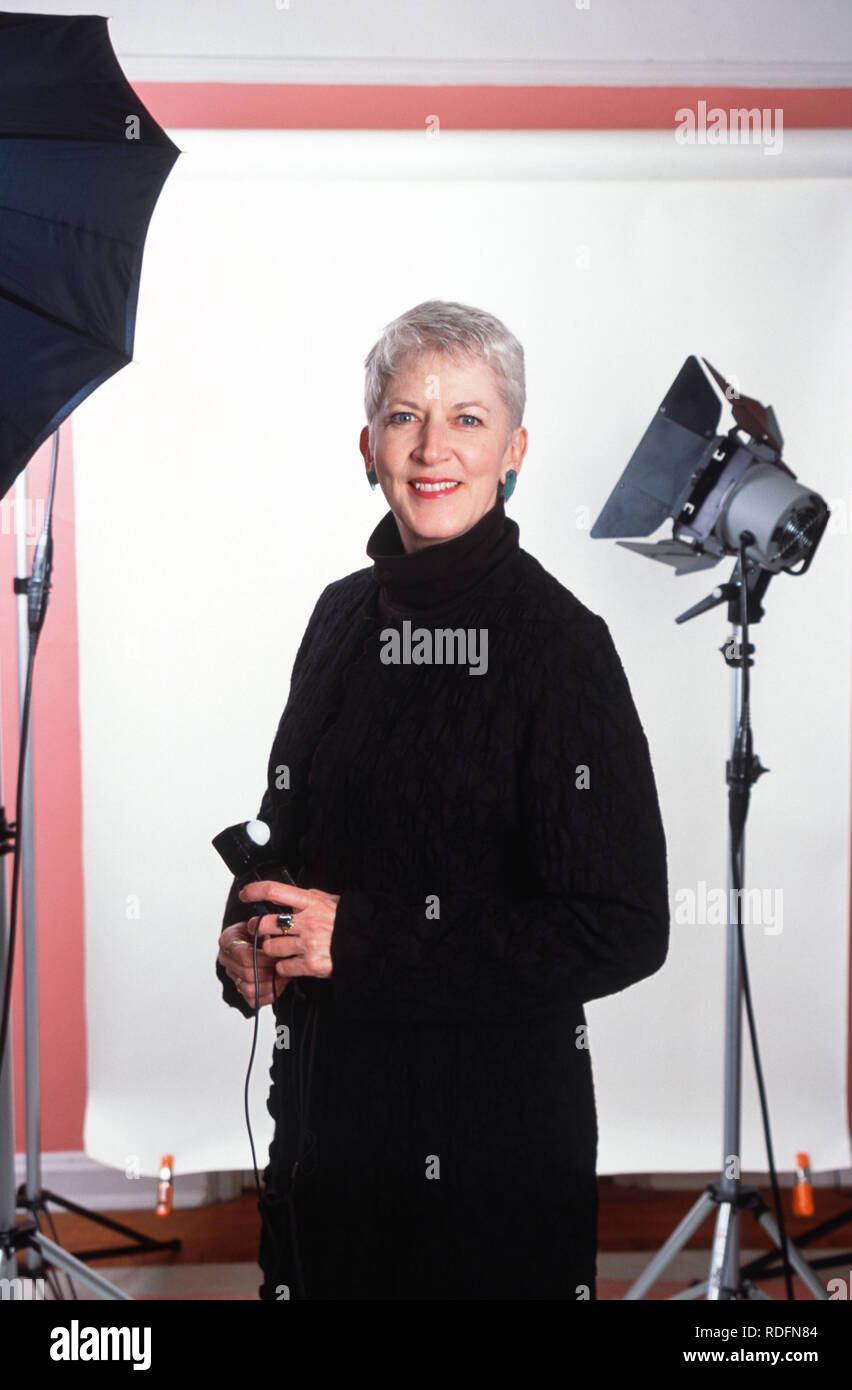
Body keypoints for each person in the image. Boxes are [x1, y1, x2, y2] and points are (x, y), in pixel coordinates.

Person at [215, 299, 669, 1301]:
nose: (432, 446)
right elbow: (282, 829)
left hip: (485, 1152)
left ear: (513, 449)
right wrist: (248, 932)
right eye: (404, 414)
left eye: (466, 418)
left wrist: (363, 939)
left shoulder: (560, 647)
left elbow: (622, 927)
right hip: (326, 1133)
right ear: (367, 443)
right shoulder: (338, 616)